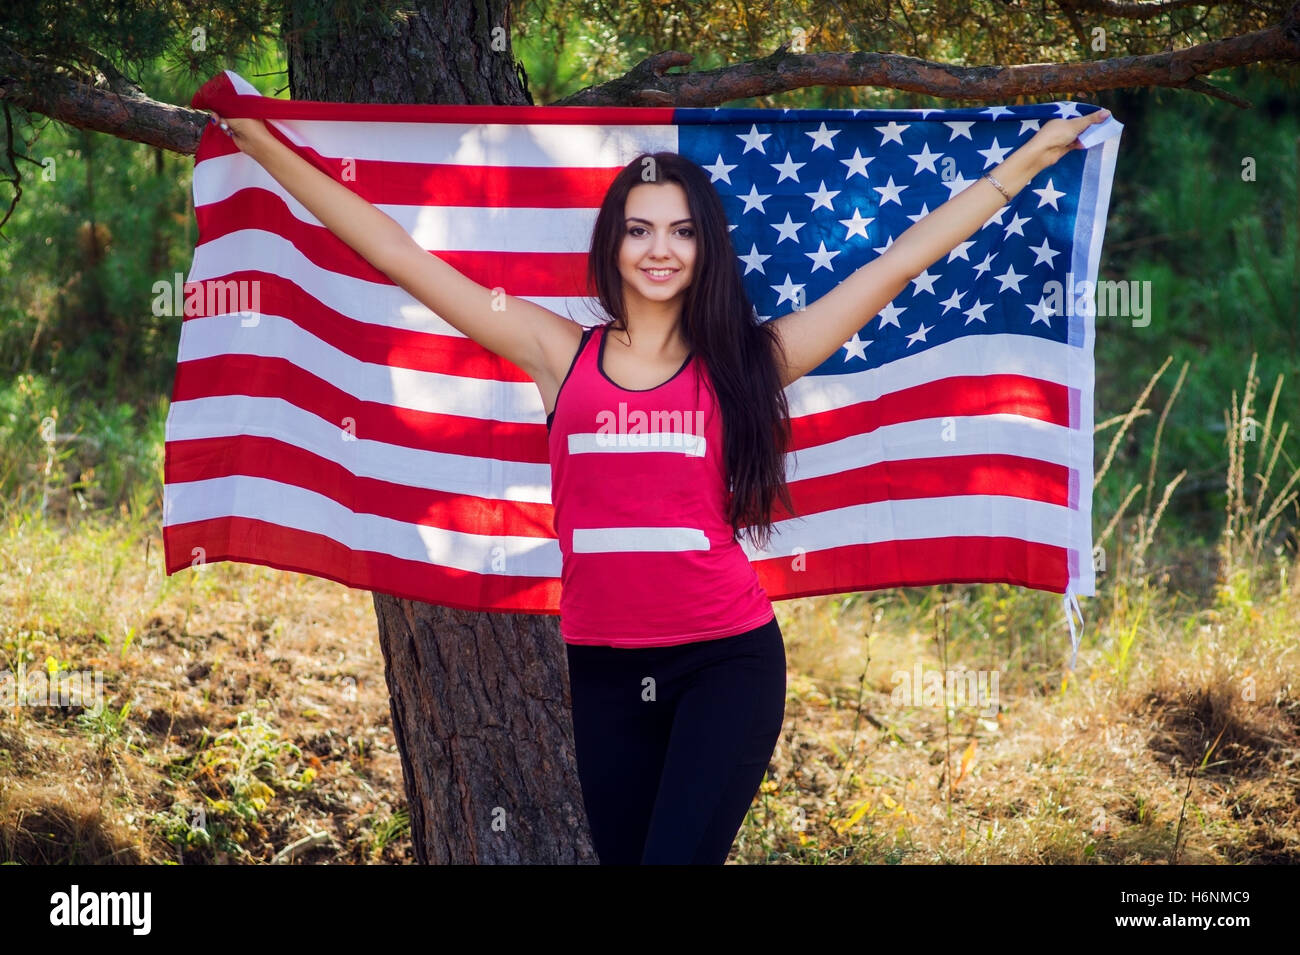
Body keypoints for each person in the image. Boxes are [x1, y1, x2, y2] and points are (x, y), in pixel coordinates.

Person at [206, 101, 1110, 865]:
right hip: (603, 672)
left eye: (680, 230)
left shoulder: (751, 360)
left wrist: (1024, 162)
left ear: (704, 246)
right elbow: (405, 259)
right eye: (639, 228)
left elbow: (895, 265)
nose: (659, 248)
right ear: (613, 242)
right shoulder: (557, 352)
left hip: (727, 663)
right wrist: (261, 144)